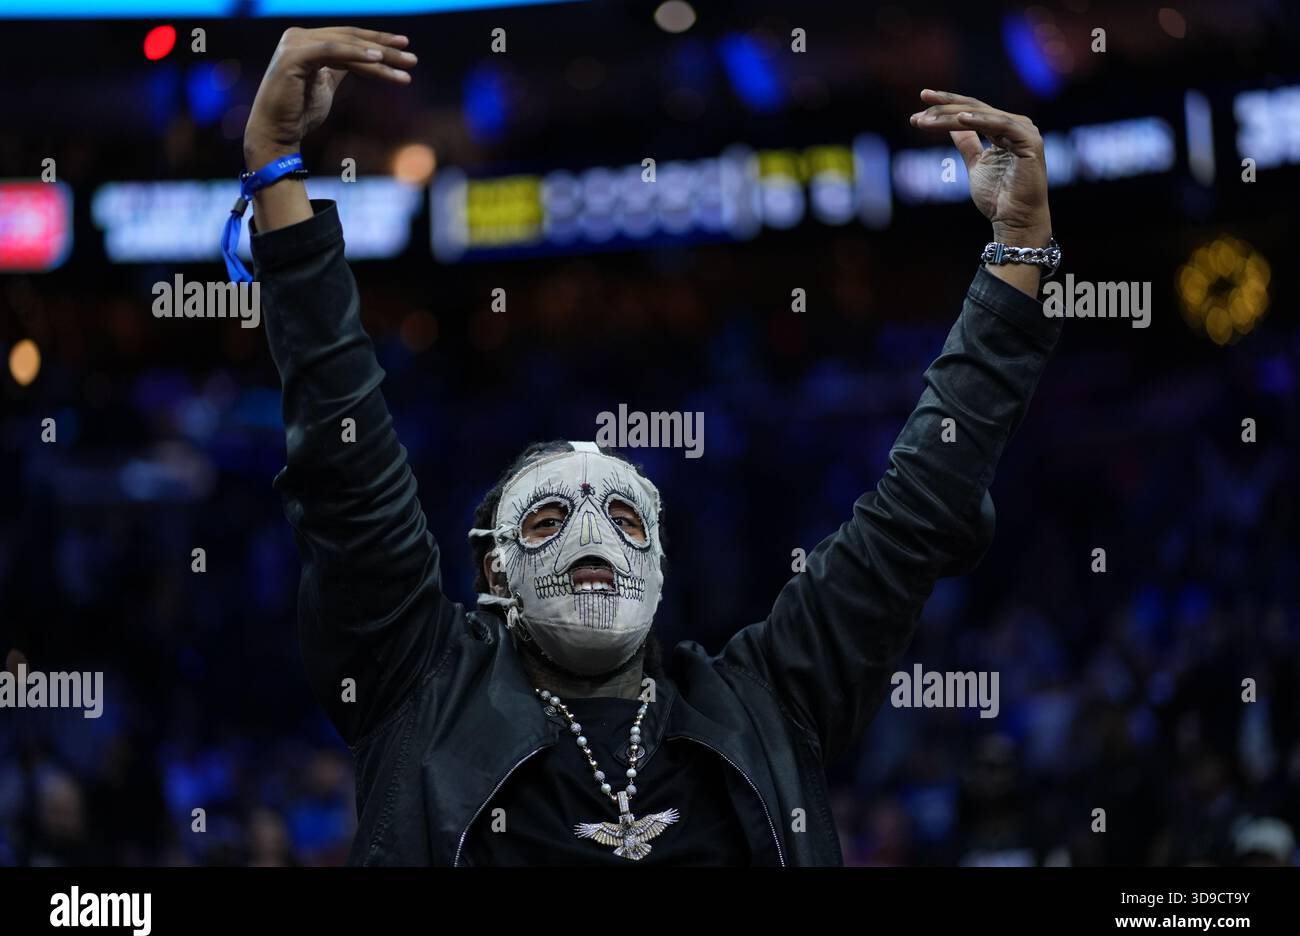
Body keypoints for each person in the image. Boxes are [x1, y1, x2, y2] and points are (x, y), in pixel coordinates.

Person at [244, 26, 1062, 865]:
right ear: (496, 574)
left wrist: (1023, 242)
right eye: (550, 516)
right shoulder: (422, 688)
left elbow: (917, 512)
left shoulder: (767, 701)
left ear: (662, 566)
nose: (593, 535)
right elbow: (351, 471)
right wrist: (276, 166)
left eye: (627, 516)